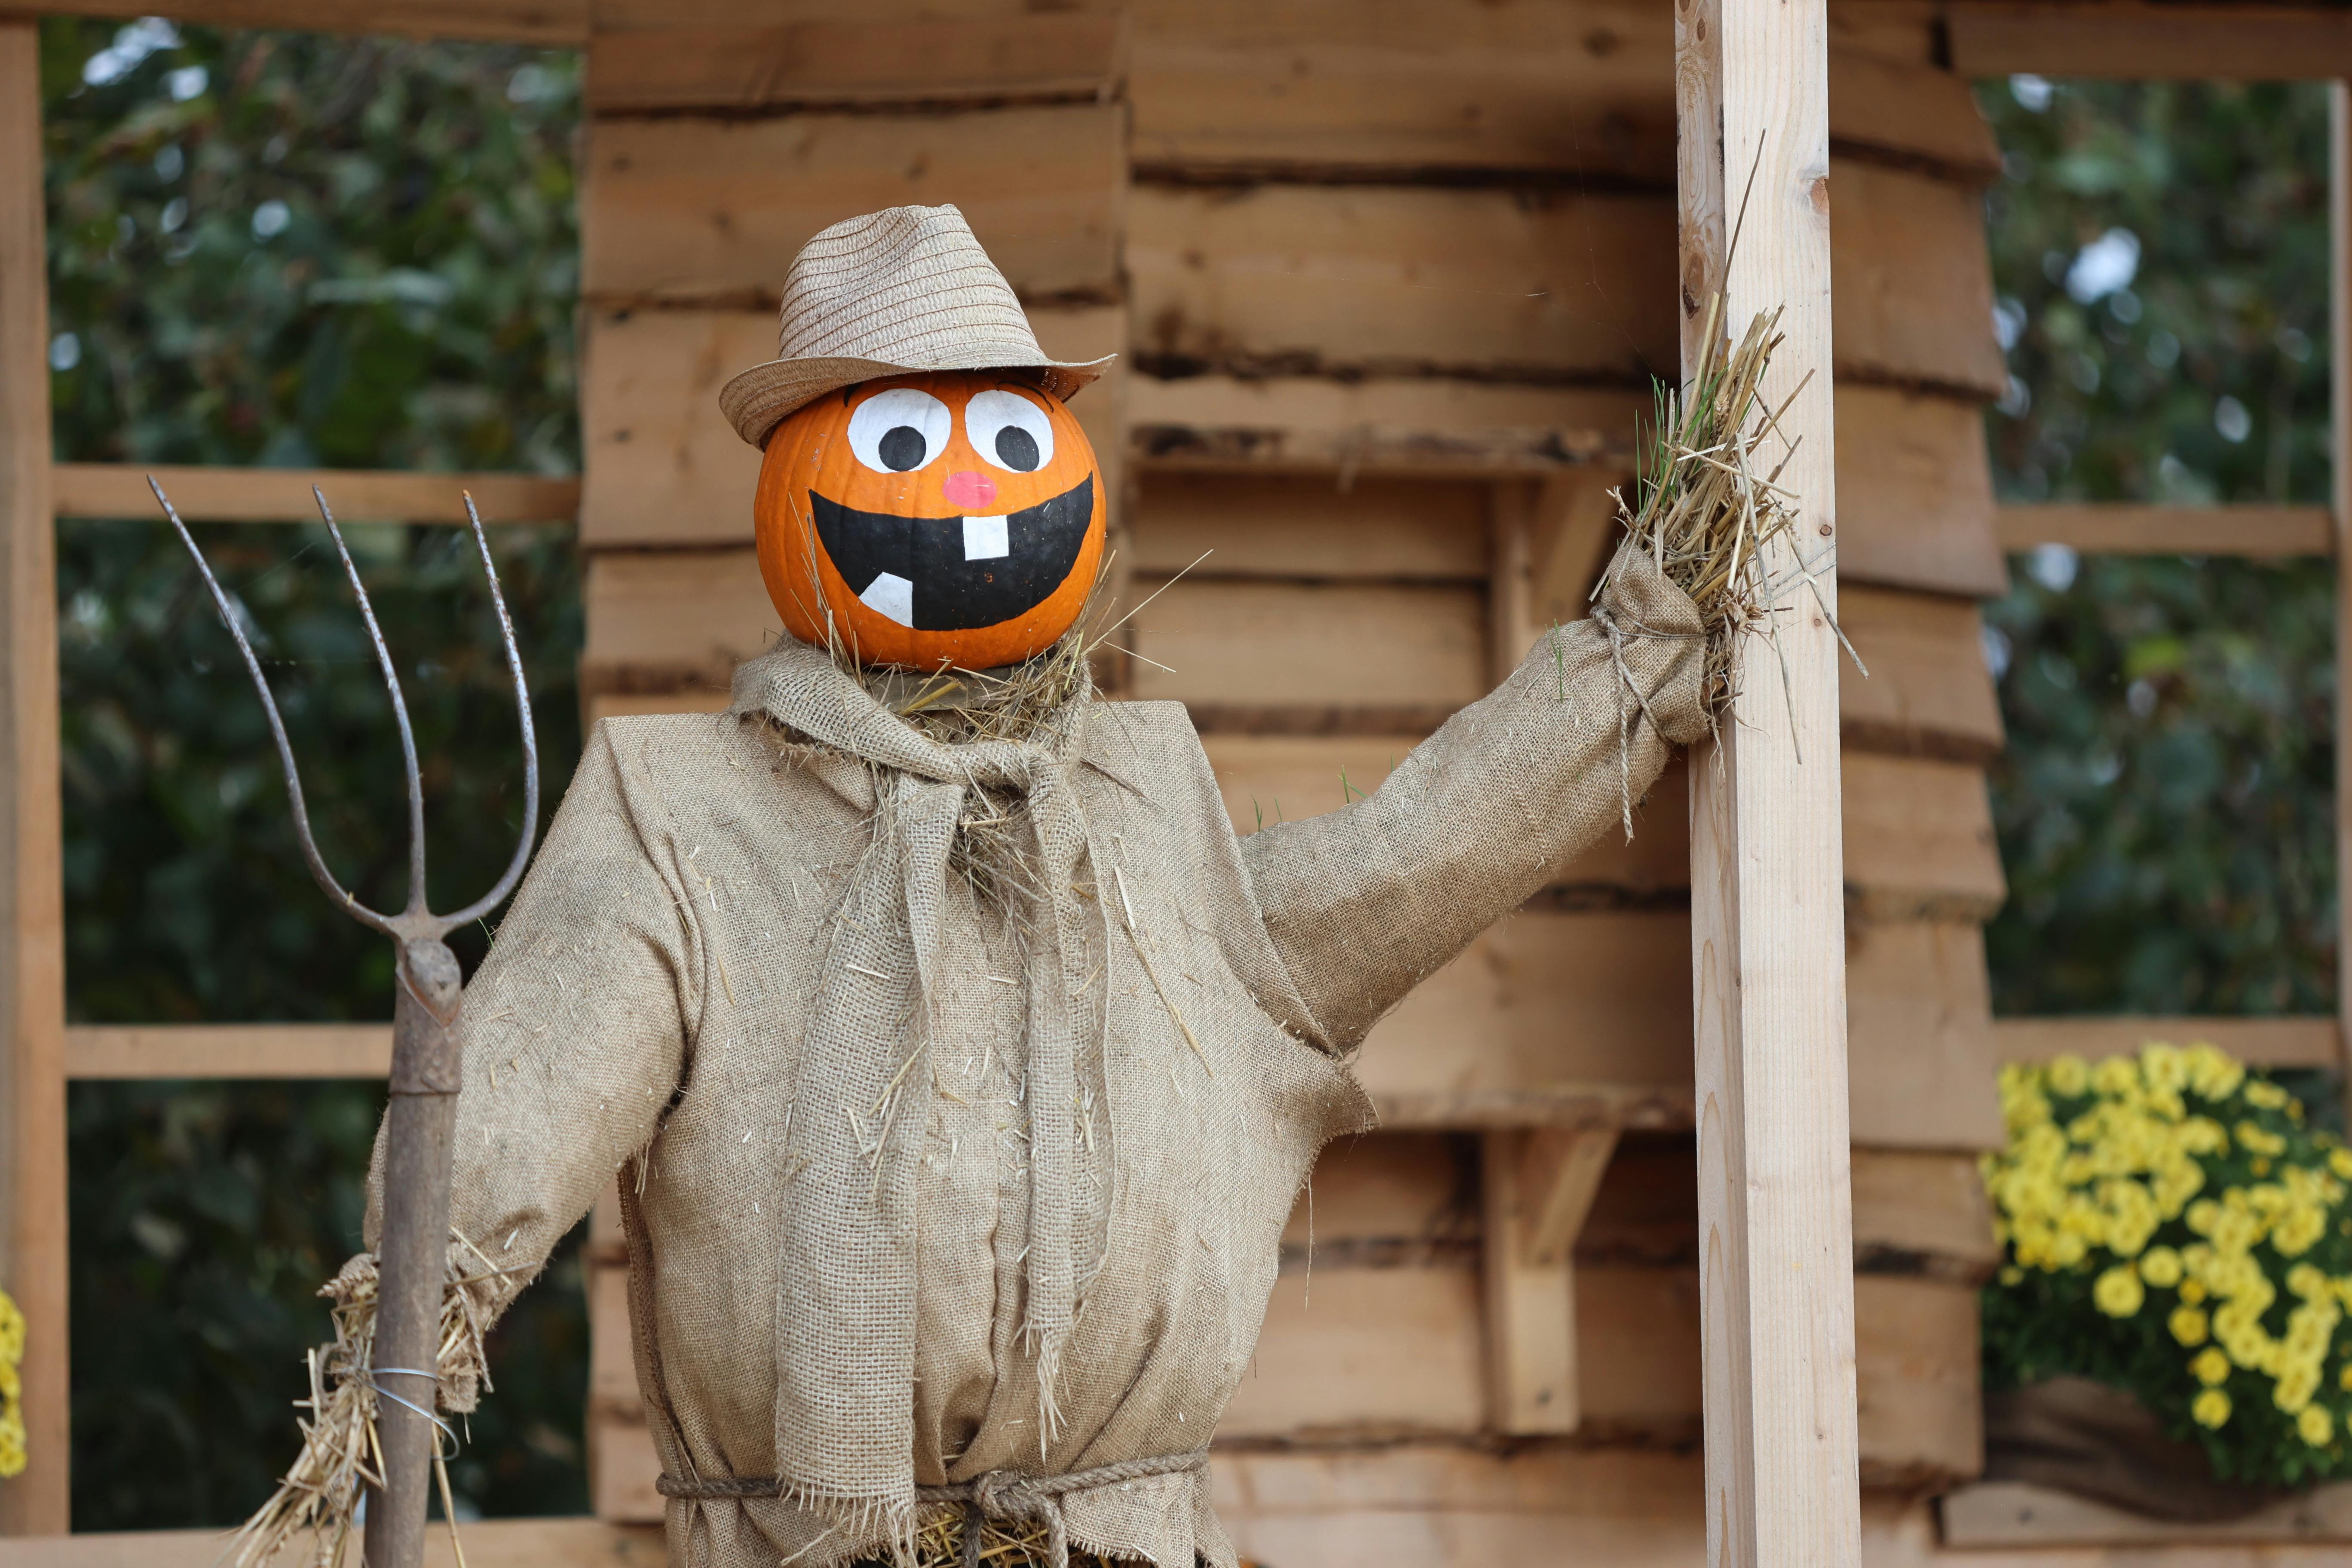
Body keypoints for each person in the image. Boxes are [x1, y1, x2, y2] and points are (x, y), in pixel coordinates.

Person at [360, 205, 1708, 1568]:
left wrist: (1635, 664)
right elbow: (536, 1086)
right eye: (901, 446)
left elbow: (1401, 863)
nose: (962, 498)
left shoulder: (1134, 821)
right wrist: (403, 1322)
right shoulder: (696, 819)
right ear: (797, 476)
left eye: (1006, 444)